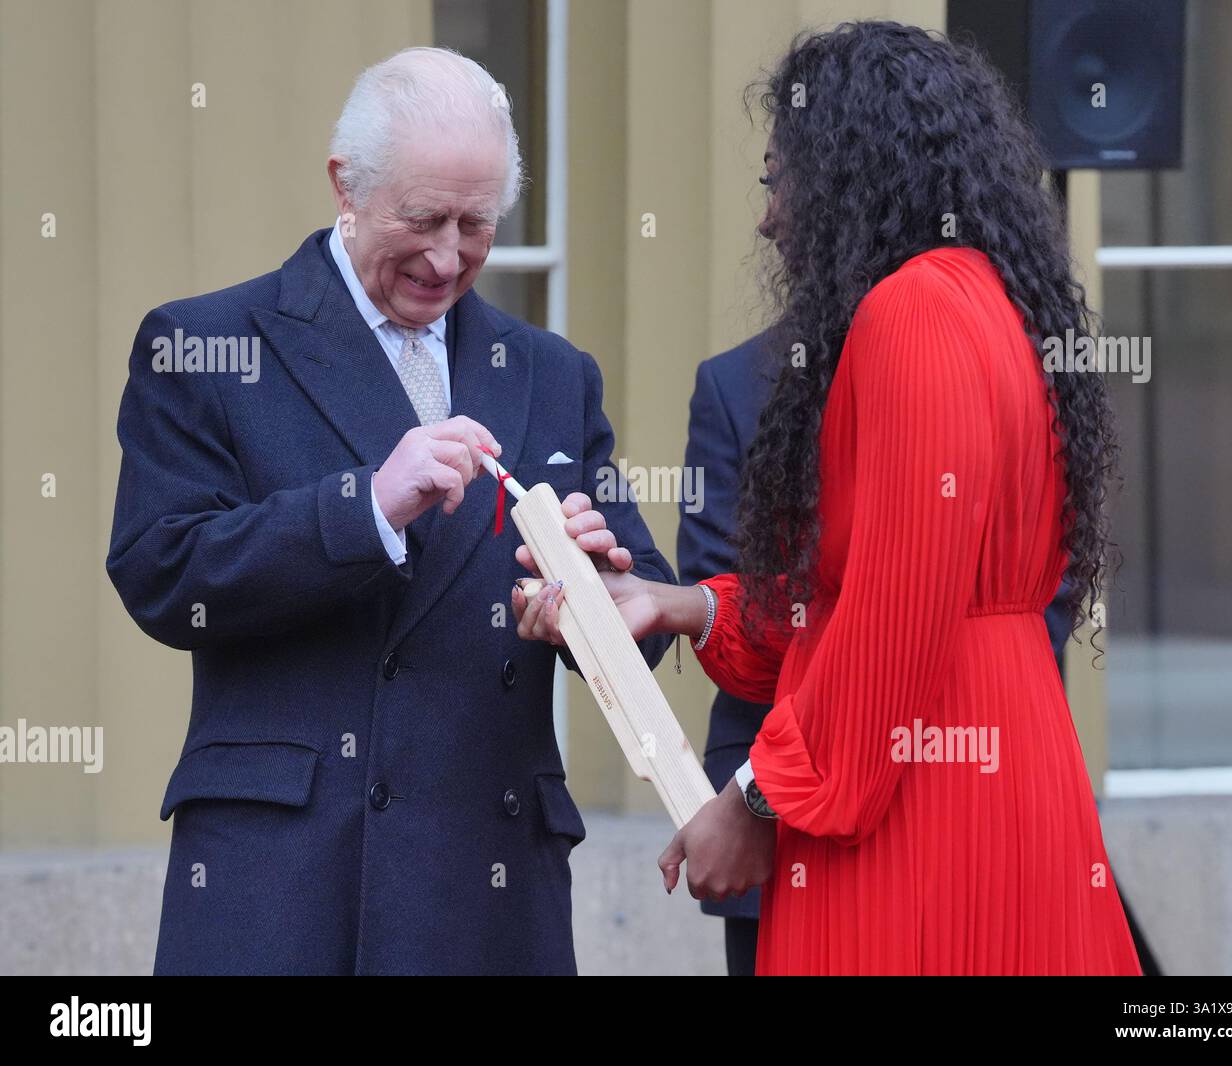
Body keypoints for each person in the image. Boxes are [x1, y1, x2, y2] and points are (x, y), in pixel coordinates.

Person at [534, 21, 1141, 975]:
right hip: (997, 764)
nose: (769, 218)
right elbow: (861, 598)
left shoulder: (913, 315)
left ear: (849, 169)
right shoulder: (996, 302)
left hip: (918, 805)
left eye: (778, 178)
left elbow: (892, 624)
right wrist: (679, 605)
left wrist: (755, 801)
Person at [106, 47, 673, 975]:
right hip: (289, 884)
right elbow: (162, 573)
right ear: (347, 186)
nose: (449, 256)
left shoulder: (550, 372)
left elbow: (640, 618)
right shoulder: (206, 343)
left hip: (487, 881)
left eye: (477, 223)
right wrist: (364, 507)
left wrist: (603, 593)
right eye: (423, 218)